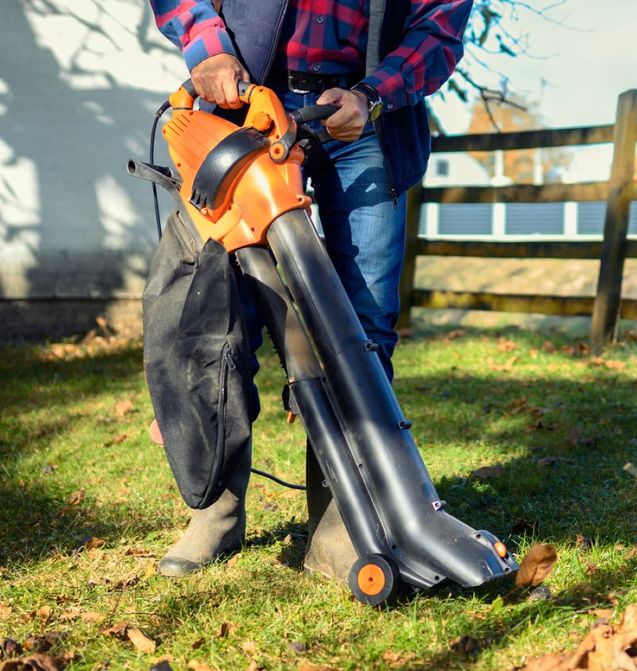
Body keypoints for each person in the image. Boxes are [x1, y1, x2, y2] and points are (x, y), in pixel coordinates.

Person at [147, 0, 472, 583]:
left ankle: (339, 521)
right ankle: (216, 510)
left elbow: (438, 26)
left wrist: (373, 96)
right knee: (217, 317)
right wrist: (209, 50)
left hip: (361, 117)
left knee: (362, 325)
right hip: (243, 105)